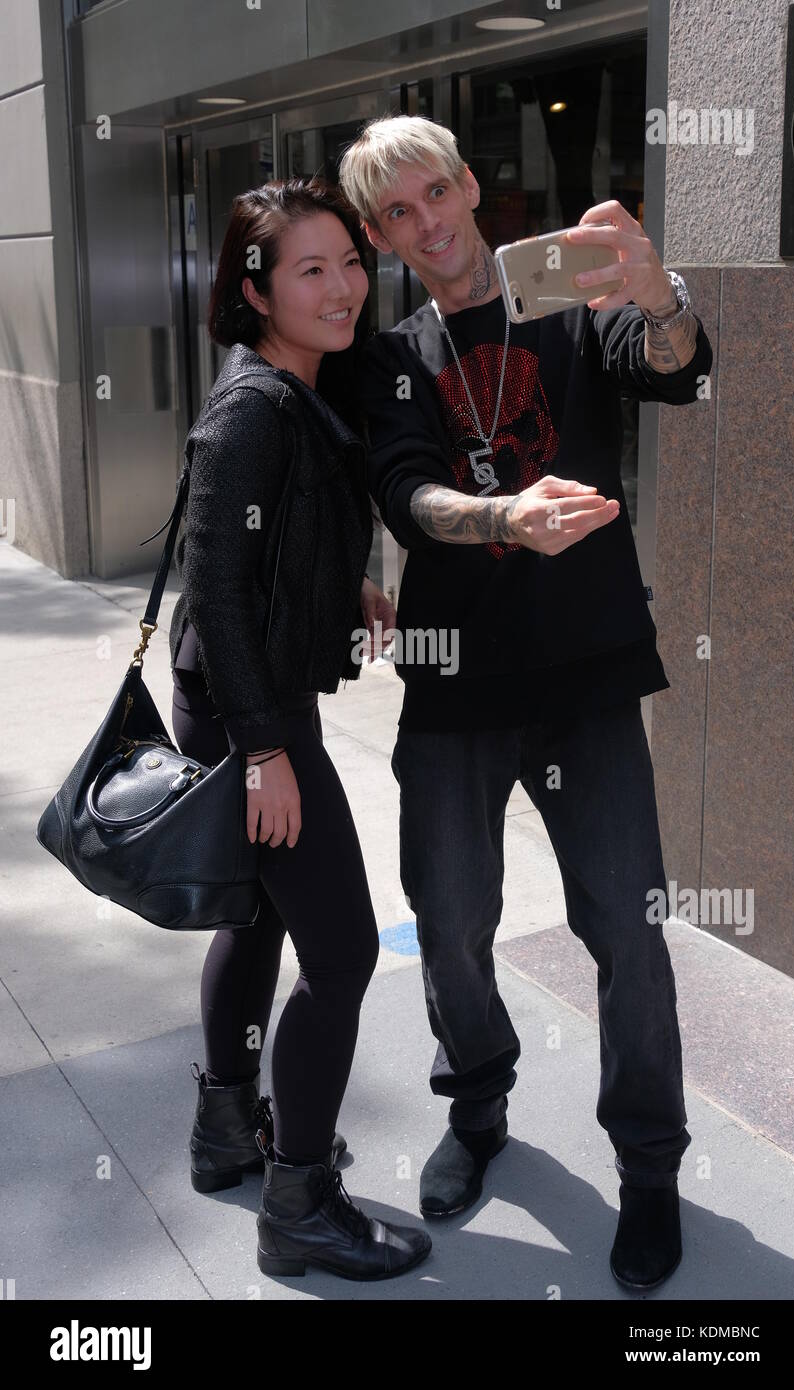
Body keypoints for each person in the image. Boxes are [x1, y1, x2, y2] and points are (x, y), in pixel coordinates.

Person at [338, 114, 714, 1292]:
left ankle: (648, 1170)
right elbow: (405, 494)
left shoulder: (568, 298)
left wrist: (657, 293)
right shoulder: (390, 356)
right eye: (395, 215)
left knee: (627, 934)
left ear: (467, 184)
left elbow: (678, 370)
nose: (426, 225)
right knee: (449, 921)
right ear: (375, 235)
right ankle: (480, 1108)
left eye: (436, 192)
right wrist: (502, 517)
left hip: (591, 674)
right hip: (454, 687)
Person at [169, 176, 431, 1282]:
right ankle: (302, 1203)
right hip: (249, 718)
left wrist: (346, 598)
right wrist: (266, 752)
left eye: (350, 263)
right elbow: (219, 587)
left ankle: (228, 1132)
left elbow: (282, 557)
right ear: (256, 286)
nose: (341, 288)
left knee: (262, 921)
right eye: (310, 269)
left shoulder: (294, 387)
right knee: (344, 952)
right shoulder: (253, 409)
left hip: (247, 705)